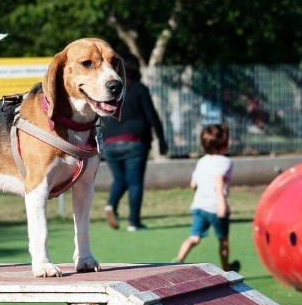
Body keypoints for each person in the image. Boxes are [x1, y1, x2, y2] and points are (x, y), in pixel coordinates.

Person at [100, 59, 168, 231]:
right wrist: (161, 141)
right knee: (135, 183)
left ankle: (111, 205)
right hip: (135, 141)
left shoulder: (110, 89)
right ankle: (134, 222)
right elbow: (152, 116)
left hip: (109, 142)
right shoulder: (139, 89)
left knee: (120, 179)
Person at [174, 123, 241, 272]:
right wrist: (222, 204)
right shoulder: (226, 162)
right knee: (223, 241)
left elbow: (193, 184)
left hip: (199, 206)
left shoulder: (202, 161)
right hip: (215, 208)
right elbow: (219, 181)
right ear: (224, 145)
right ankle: (227, 269)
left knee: (194, 238)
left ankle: (179, 260)